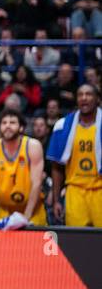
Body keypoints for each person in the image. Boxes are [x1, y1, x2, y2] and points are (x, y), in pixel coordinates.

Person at [0, 110, 46, 228]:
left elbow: (37, 183)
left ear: (21, 128)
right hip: (5, 211)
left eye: (12, 122)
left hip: (33, 212)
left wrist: (26, 217)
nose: (7, 126)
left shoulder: (33, 146)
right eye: (4, 123)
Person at [47, 84, 102, 227]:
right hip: (75, 192)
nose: (84, 98)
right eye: (80, 95)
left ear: (97, 99)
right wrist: (57, 199)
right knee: (78, 244)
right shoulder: (62, 126)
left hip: (100, 191)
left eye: (89, 94)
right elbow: (57, 167)